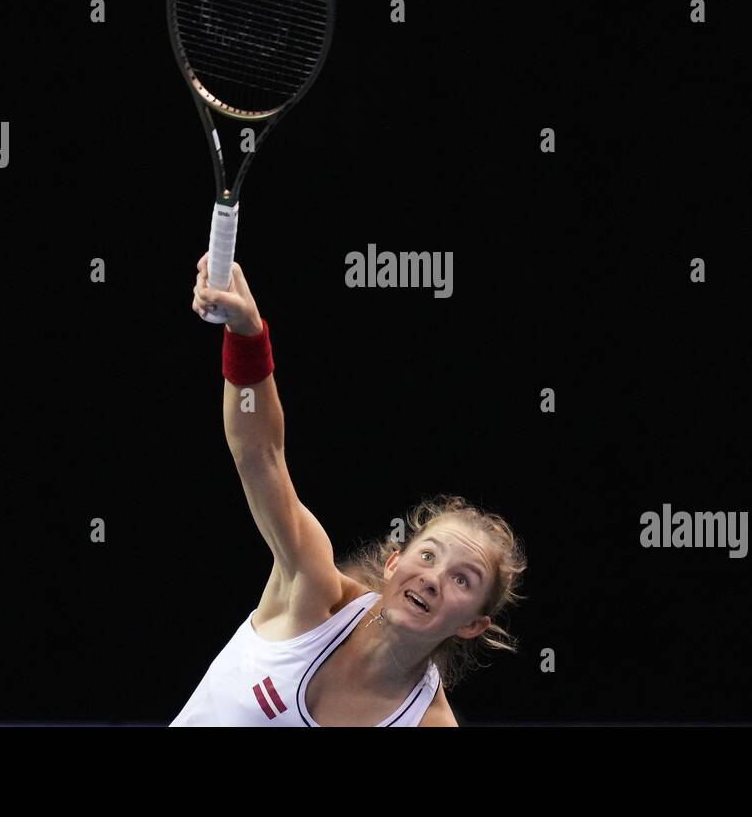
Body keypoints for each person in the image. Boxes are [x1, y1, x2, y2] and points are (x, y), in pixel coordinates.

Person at [169, 254, 526, 726]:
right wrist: (247, 332)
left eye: (463, 580)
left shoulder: (427, 723)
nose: (433, 579)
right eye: (428, 555)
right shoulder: (311, 589)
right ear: (395, 562)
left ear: (473, 625)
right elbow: (260, 456)